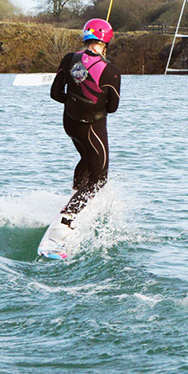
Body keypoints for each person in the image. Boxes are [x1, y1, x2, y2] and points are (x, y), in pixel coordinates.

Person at [49, 18, 121, 230]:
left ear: (86, 36)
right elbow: (112, 108)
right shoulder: (112, 71)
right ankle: (68, 217)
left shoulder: (69, 59)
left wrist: (74, 101)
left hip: (70, 124)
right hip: (92, 127)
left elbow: (55, 93)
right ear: (106, 42)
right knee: (99, 179)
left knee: (86, 158)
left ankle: (75, 196)